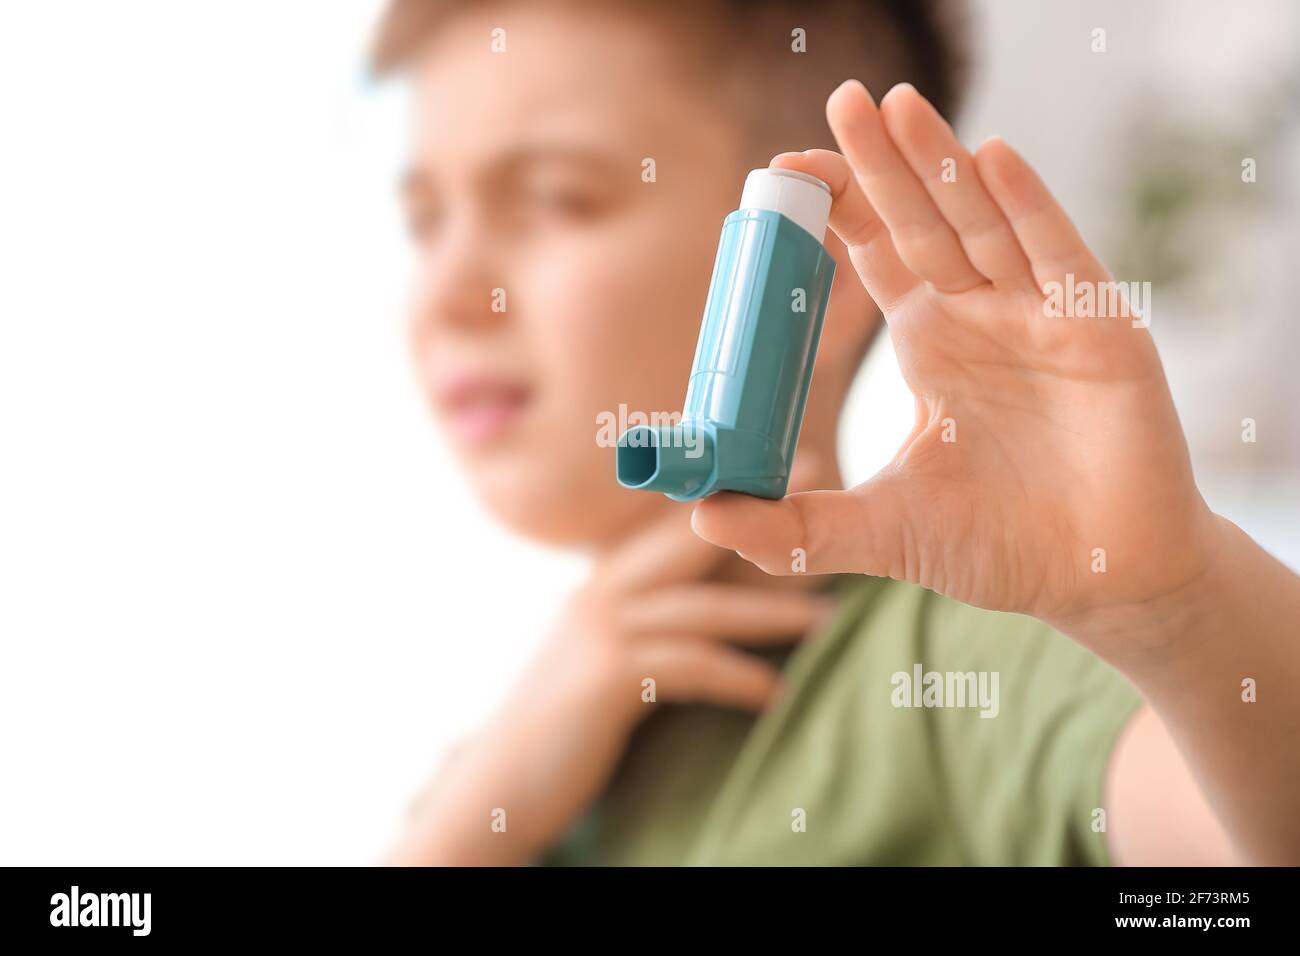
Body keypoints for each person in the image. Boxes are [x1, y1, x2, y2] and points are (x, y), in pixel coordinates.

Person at [376, 0, 1290, 865]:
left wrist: (1178, 608)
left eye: (556, 199)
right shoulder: (507, 764)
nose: (451, 295)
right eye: (426, 222)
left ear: (824, 278)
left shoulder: (969, 656)